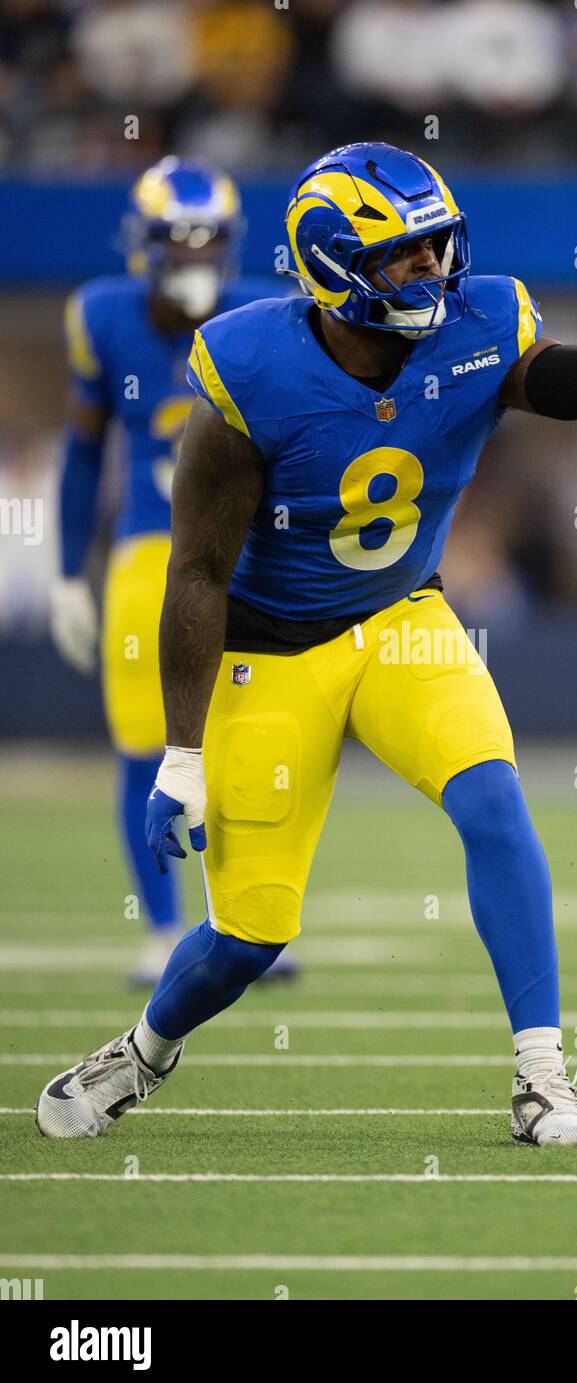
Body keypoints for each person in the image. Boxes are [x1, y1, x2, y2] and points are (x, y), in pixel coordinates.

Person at [38, 142, 577, 1145]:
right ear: (331, 268)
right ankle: (143, 1051)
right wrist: (184, 751)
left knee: (491, 798)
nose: (433, 272)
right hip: (266, 654)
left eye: (437, 248)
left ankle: (541, 1078)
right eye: (404, 257)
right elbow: (193, 573)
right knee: (250, 935)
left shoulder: (476, 325)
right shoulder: (248, 371)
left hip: (398, 621)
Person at [49, 155, 298, 987]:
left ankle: (242, 925)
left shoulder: (267, 314)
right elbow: (84, 448)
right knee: (144, 746)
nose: (193, 260)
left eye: (207, 243)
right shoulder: (101, 315)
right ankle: (161, 930)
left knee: (243, 743)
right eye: (177, 243)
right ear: (145, 243)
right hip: (150, 546)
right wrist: (63, 572)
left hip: (244, 548)